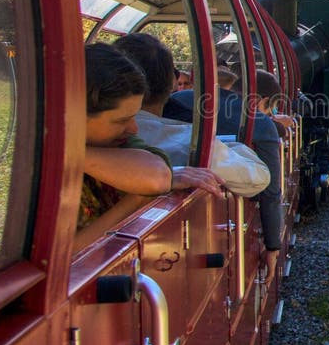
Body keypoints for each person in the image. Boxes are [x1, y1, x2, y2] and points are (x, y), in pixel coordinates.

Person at [165, 67, 287, 280]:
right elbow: (271, 191)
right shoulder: (260, 122)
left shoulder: (180, 98)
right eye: (272, 108)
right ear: (258, 100)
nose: (271, 114)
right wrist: (273, 246)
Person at [113, 33, 270, 197]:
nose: (132, 128)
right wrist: (228, 145)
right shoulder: (187, 142)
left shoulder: (94, 140)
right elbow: (258, 177)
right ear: (172, 82)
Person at [77, 43, 175, 251]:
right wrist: (138, 196)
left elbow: (157, 176)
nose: (133, 128)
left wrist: (67, 153)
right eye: (121, 120)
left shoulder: (117, 141)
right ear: (75, 115)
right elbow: (69, 256)